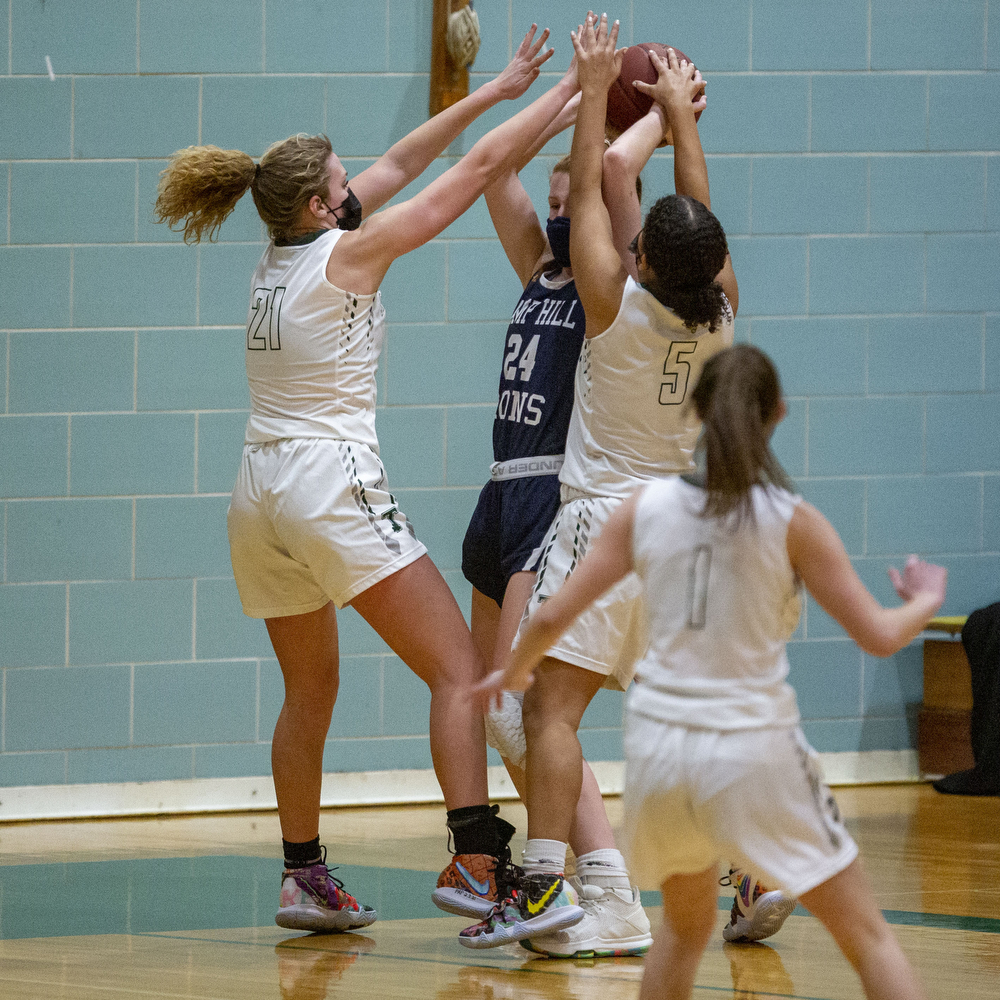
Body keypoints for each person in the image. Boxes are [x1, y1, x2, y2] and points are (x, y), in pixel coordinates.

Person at [154, 25, 581, 933]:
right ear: (320, 206)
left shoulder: (279, 258)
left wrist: (499, 89)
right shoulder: (349, 256)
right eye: (343, 185)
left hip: (255, 493)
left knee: (309, 694)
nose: (360, 187)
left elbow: (404, 158)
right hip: (326, 484)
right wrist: (564, 102)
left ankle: (302, 873)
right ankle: (475, 861)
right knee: (462, 674)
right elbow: (464, 180)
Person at [492, 343, 944, 1000]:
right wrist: (926, 601)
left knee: (682, 933)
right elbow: (877, 636)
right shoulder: (792, 520)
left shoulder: (643, 508)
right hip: (751, 746)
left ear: (696, 411)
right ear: (778, 413)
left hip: (659, 756)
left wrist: (507, 678)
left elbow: (550, 618)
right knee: (869, 936)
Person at [462, 15, 740, 950]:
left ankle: (543, 884)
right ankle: (753, 868)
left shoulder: (613, 310)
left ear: (644, 261)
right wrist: (677, 119)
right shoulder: (724, 319)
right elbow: (695, 210)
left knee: (548, 708)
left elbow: (587, 186)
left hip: (598, 527)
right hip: (677, 529)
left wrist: (591, 93)